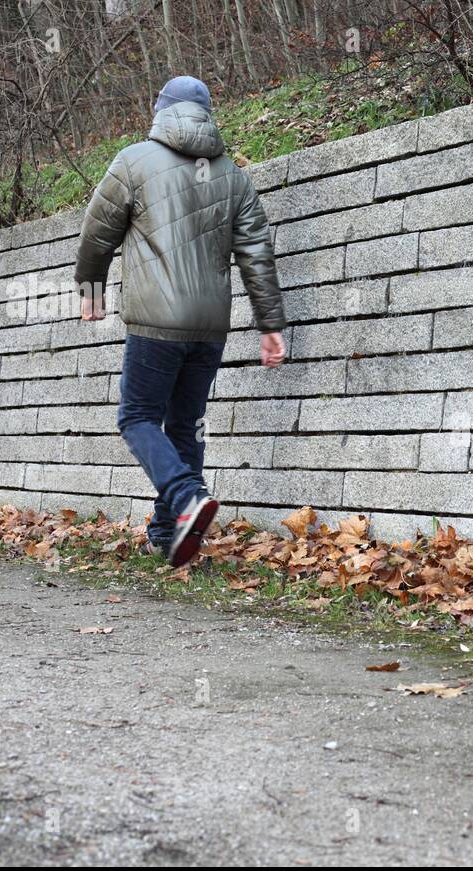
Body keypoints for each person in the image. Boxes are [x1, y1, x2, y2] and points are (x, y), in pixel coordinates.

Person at [74, 76, 287, 567]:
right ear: (207, 115)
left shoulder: (133, 161)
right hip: (209, 328)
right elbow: (257, 255)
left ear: (161, 110)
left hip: (155, 323)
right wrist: (270, 326)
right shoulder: (233, 175)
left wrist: (91, 286)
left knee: (137, 418)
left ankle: (188, 497)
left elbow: (97, 232)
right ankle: (170, 535)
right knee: (186, 427)